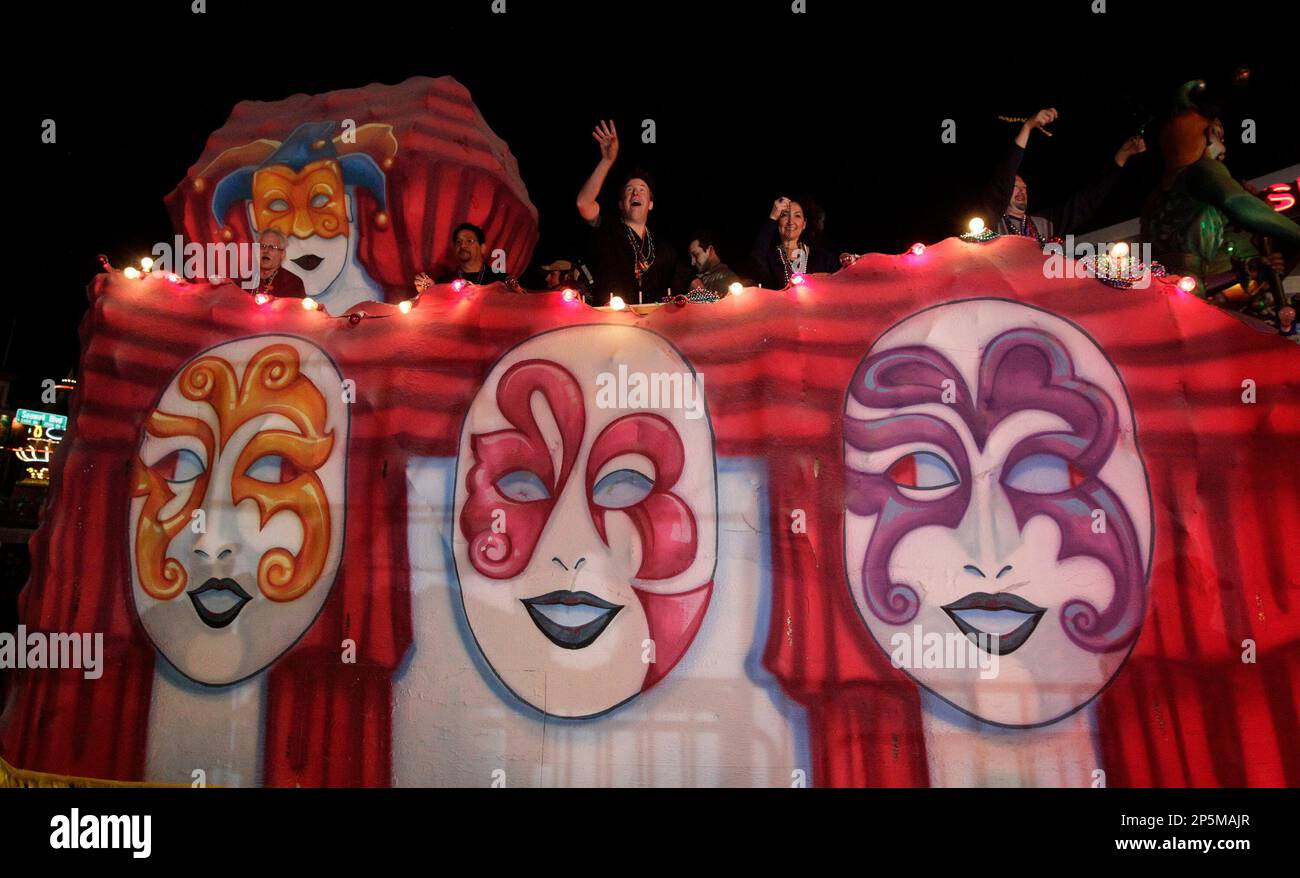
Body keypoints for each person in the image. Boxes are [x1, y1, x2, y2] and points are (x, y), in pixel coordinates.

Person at [1141, 81, 1299, 311]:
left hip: (1156, 288)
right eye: (1219, 137)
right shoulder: (1201, 170)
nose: (1223, 150)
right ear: (1206, 136)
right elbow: (1237, 203)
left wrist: (1253, 266)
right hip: (1186, 292)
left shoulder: (1156, 197)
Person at [980, 108, 1146, 241]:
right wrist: (1028, 127)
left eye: (1025, 187)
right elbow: (1004, 177)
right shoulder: (993, 222)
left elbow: (1086, 202)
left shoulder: (1044, 224)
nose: (1022, 191)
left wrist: (1122, 157)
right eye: (1015, 187)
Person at [575, 120, 681, 305]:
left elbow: (682, 275)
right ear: (621, 204)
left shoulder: (662, 247)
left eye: (642, 189)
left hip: (649, 324)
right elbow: (583, 203)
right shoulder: (608, 228)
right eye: (629, 190)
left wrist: (697, 285)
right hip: (609, 322)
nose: (636, 193)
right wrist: (607, 161)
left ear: (650, 204)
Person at [750, 196, 839, 289]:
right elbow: (755, 260)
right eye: (784, 215)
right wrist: (772, 217)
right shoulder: (768, 257)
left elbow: (839, 286)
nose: (790, 221)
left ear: (804, 224)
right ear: (777, 222)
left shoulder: (823, 258)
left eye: (797, 216)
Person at [414, 223, 511, 291]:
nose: (463, 246)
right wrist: (430, 291)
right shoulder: (445, 281)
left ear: (483, 248)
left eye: (469, 241)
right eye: (458, 242)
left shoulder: (501, 280)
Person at [686, 231, 742, 300]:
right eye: (691, 257)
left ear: (710, 250)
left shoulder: (728, 277)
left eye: (696, 255)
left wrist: (701, 293)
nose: (693, 262)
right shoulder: (697, 279)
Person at [253, 229, 306, 298]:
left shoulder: (293, 283)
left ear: (282, 254)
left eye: (272, 247)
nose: (266, 251)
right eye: (262, 246)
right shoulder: (244, 281)